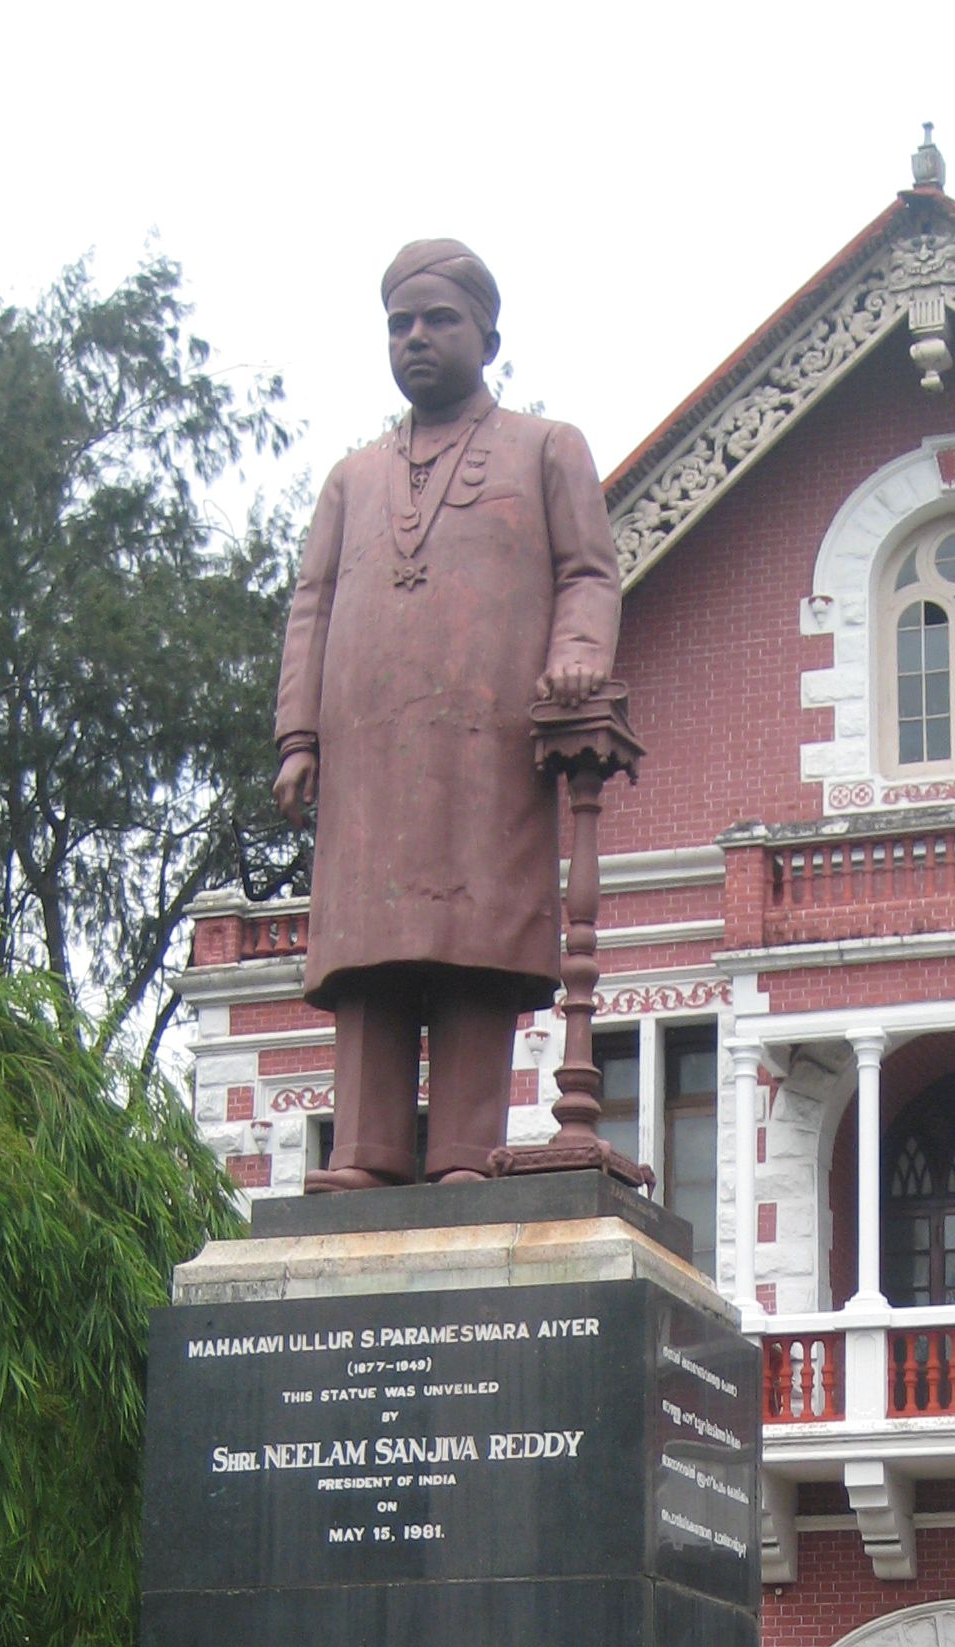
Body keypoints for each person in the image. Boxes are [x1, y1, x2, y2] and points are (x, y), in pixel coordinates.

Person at [273, 241, 621, 1189]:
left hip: (488, 750)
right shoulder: (351, 478)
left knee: (474, 943)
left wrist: (575, 654)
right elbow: (310, 604)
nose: (416, 338)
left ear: (488, 337)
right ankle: (368, 1149)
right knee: (369, 953)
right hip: (366, 753)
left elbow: (587, 571)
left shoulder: (546, 448)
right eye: (400, 323)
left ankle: (466, 1149)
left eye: (439, 320)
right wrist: (298, 736)